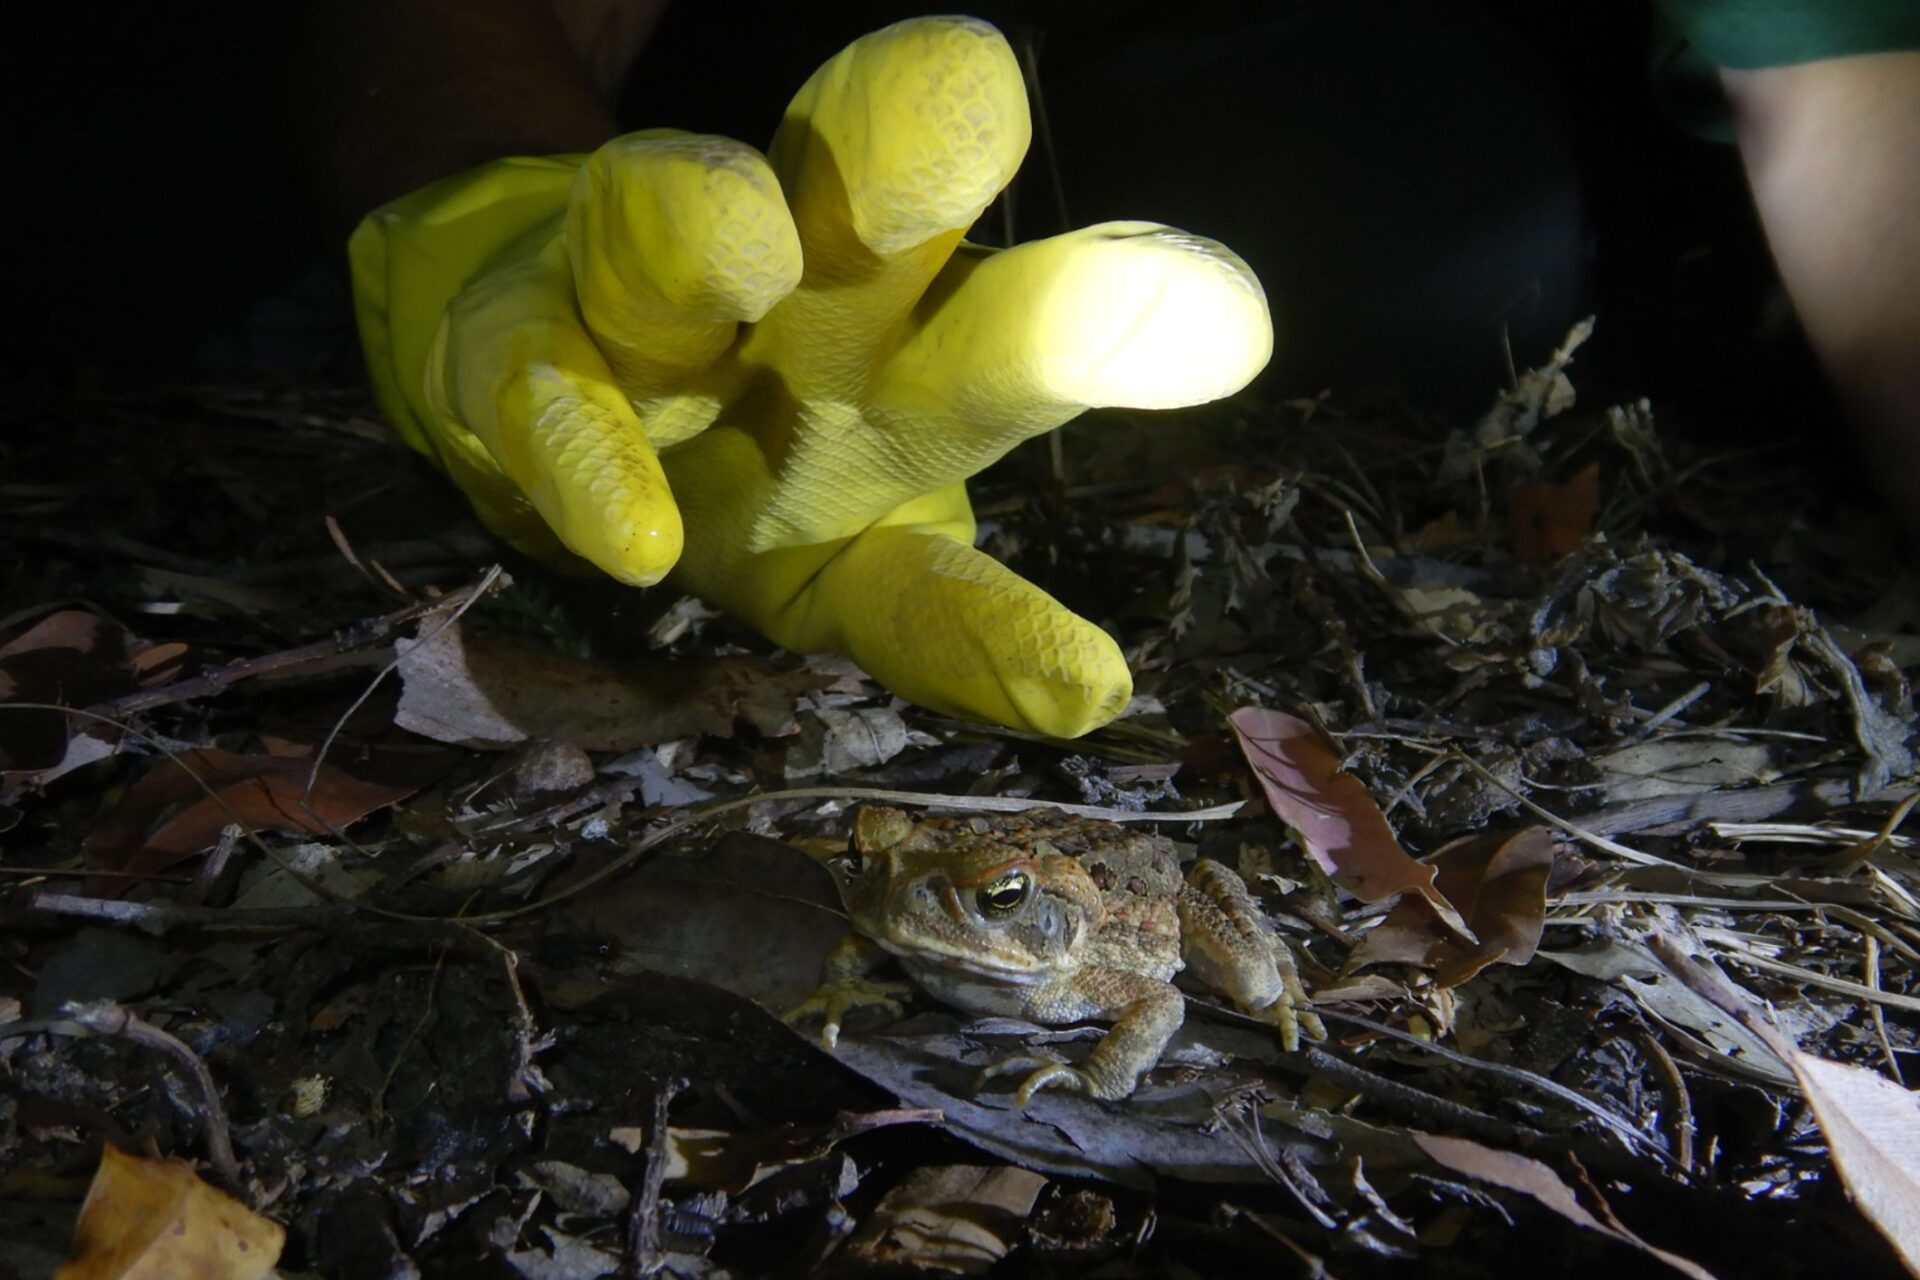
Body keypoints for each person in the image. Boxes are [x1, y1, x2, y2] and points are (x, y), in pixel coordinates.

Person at [296, 1, 1920, 738]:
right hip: (763, 225)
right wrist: (498, 214)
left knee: (1433, 193)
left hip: (1388, 380)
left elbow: (1855, 111)